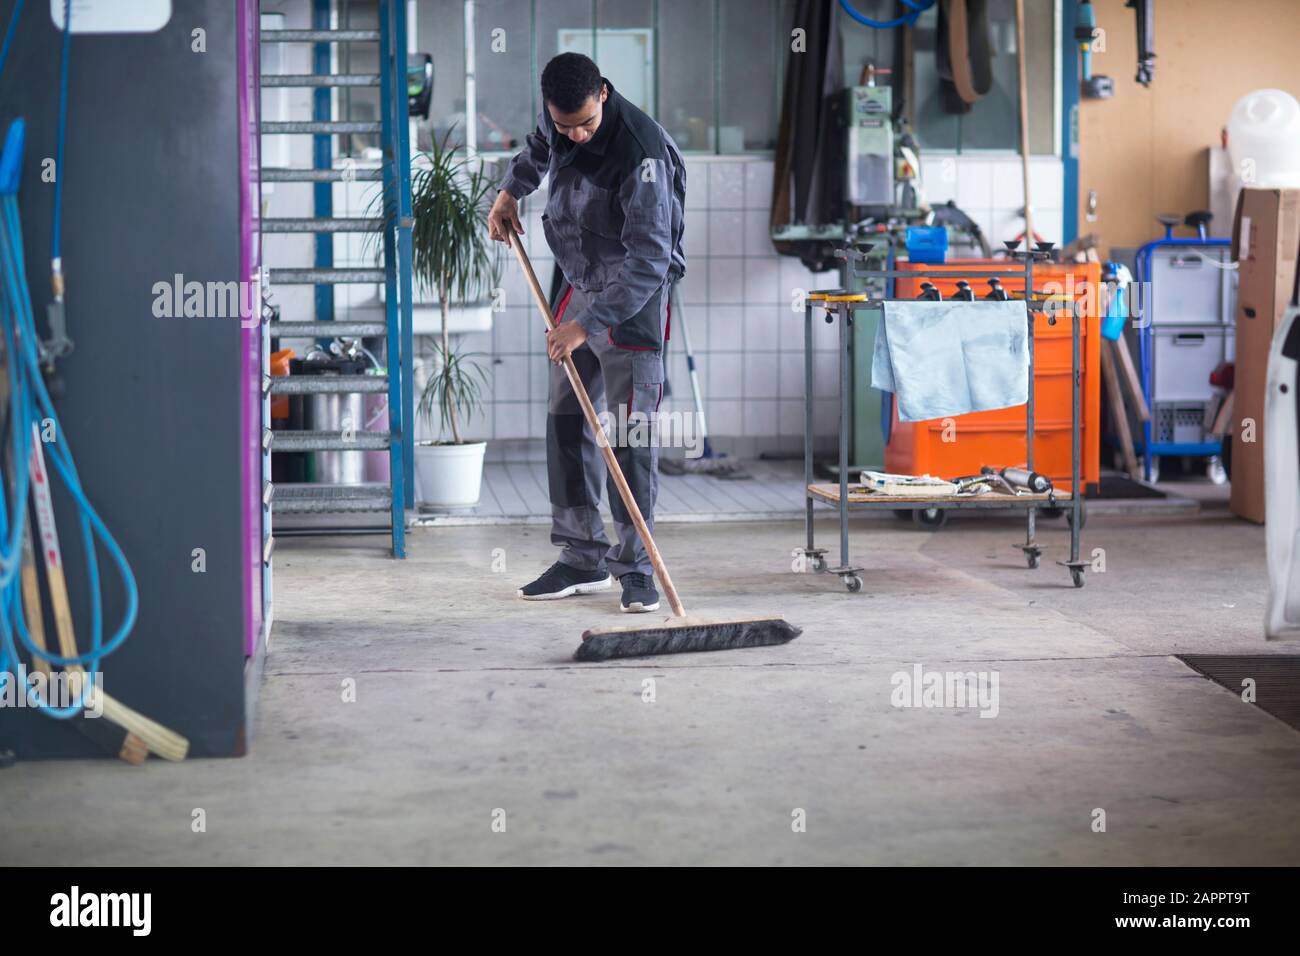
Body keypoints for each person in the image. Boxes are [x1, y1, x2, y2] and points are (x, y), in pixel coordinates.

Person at [487, 52, 685, 613]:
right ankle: (581, 557)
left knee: (629, 437)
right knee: (567, 421)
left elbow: (650, 259)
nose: (574, 135)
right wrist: (509, 192)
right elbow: (538, 148)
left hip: (632, 299)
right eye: (564, 124)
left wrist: (586, 324)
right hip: (579, 282)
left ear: (603, 92)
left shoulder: (641, 153)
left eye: (585, 124)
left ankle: (637, 568)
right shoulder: (560, 120)